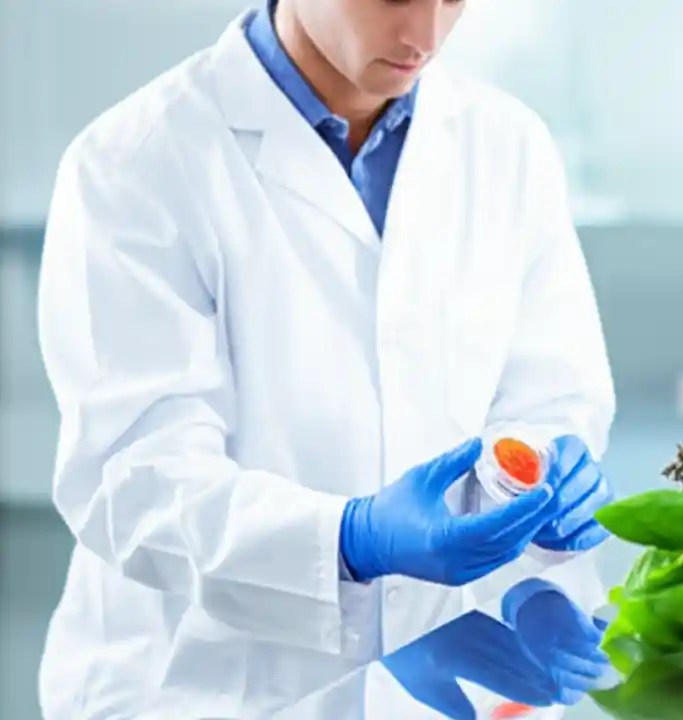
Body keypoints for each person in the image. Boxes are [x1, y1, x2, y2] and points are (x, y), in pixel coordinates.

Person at [34, 0, 616, 717]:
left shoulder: (507, 144)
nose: (426, 35)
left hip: (450, 687)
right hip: (203, 689)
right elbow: (140, 483)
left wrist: (532, 552)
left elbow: (549, 396)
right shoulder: (136, 161)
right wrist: (349, 542)